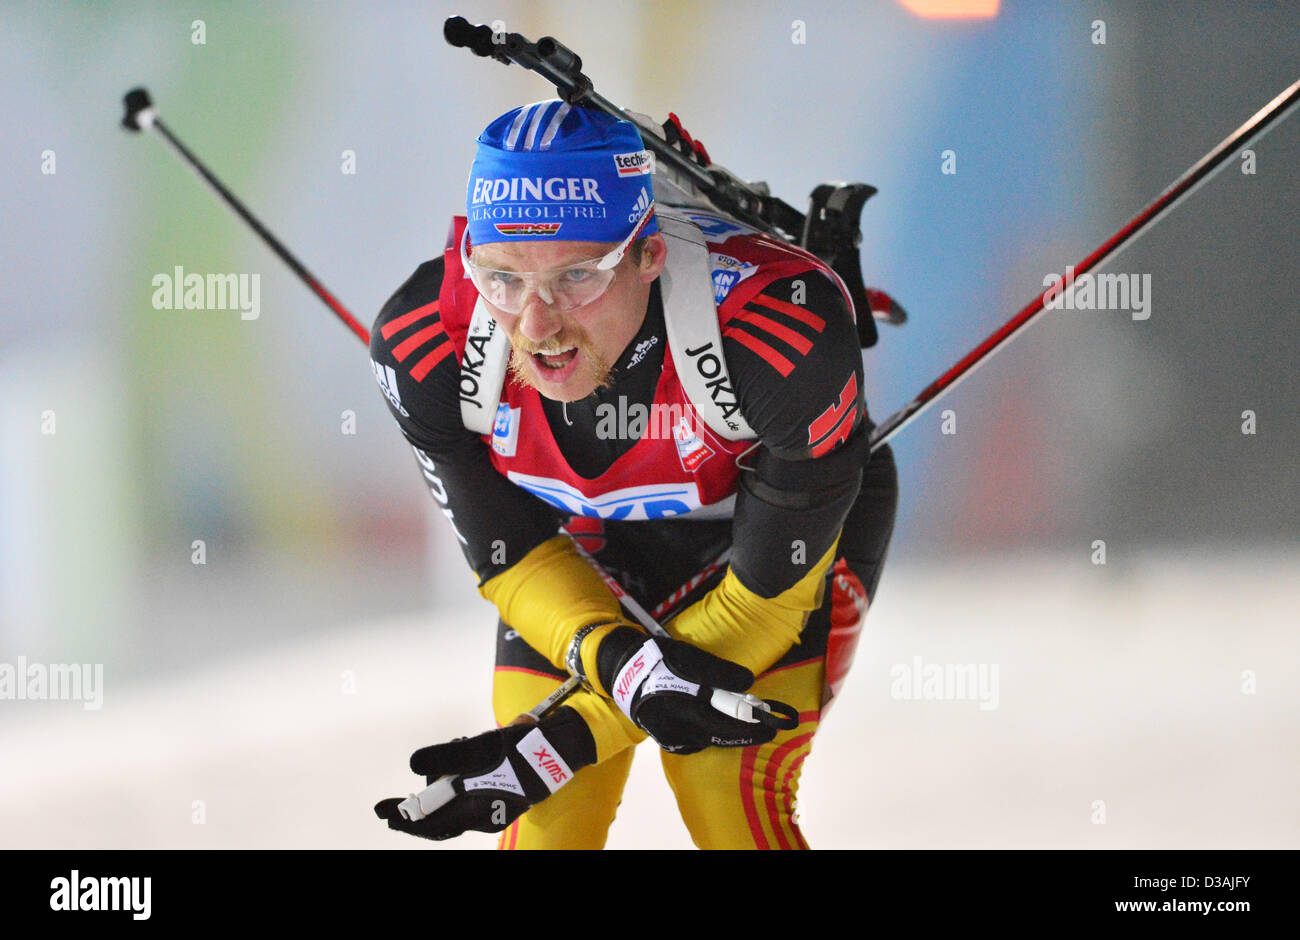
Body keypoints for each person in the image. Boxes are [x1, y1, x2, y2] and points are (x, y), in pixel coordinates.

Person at [371, 100, 898, 849]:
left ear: (650, 253)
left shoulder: (776, 331)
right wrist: (580, 722)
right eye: (502, 277)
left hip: (756, 548)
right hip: (586, 545)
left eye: (577, 277)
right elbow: (511, 559)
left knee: (726, 794)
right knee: (550, 826)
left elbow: (768, 606)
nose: (536, 324)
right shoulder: (427, 342)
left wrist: (547, 750)